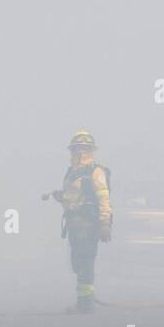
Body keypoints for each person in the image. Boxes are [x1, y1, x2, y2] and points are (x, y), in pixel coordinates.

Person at [44, 130, 112, 313]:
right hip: (74, 224)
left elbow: (104, 199)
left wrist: (105, 224)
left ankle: (85, 304)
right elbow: (72, 197)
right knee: (77, 263)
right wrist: (61, 197)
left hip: (89, 225)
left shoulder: (96, 172)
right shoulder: (71, 172)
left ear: (91, 150)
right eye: (77, 149)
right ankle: (84, 300)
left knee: (86, 261)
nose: (80, 152)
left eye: (84, 148)